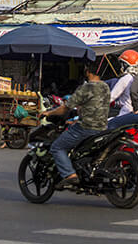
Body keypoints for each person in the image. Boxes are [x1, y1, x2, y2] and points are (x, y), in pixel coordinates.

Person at [45, 60, 110, 188]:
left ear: (87, 71)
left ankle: (70, 175)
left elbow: (65, 108)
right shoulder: (105, 87)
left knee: (57, 147)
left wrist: (49, 113)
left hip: (86, 128)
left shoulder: (86, 87)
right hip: (103, 128)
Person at [107, 49, 138, 118]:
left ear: (125, 65)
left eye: (121, 64)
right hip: (137, 114)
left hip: (125, 114)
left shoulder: (126, 78)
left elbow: (111, 97)